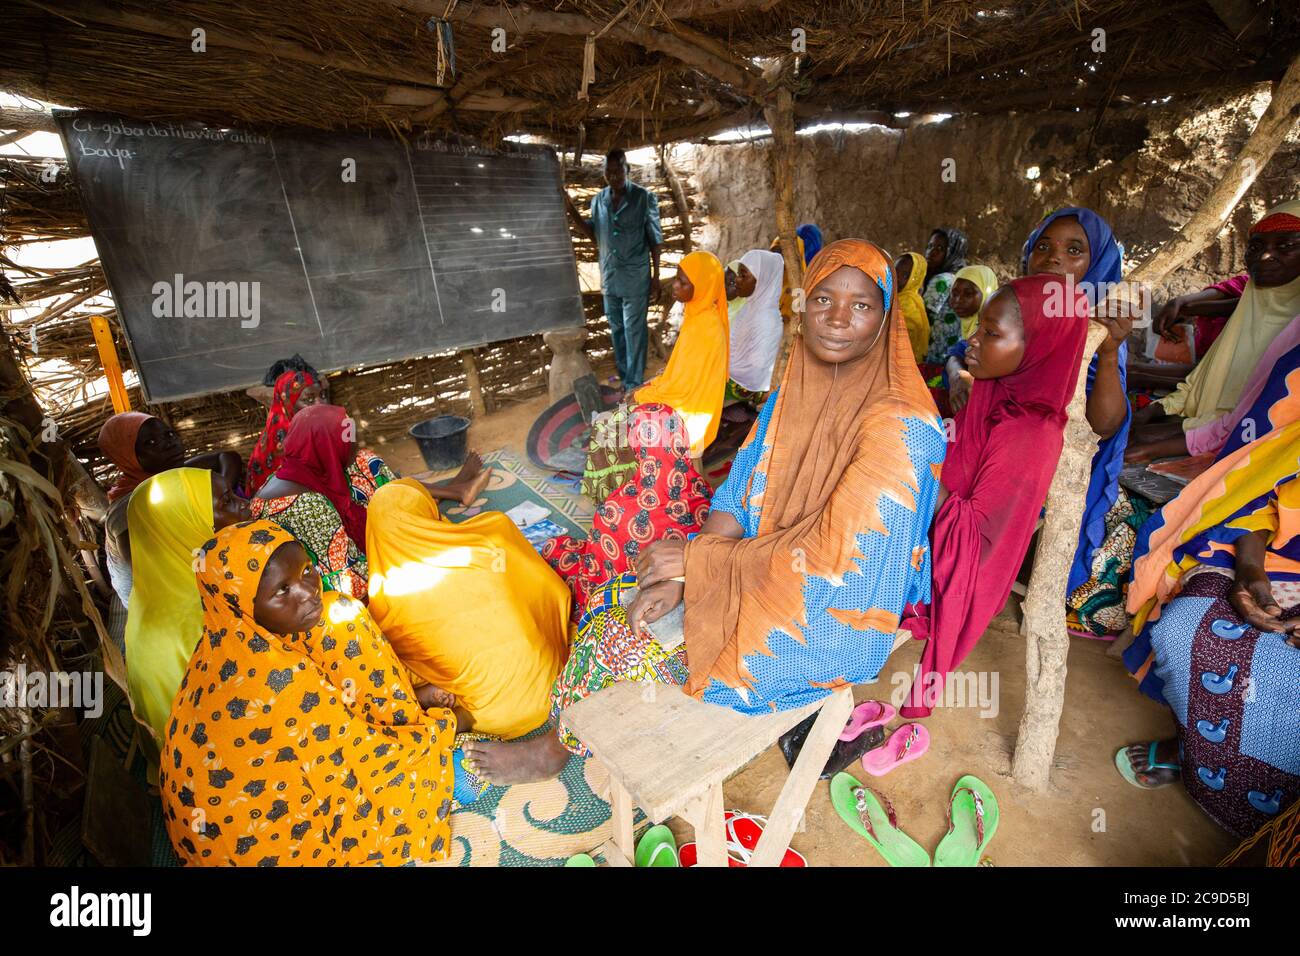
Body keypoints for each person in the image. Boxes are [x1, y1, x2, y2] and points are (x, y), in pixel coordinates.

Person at [464, 239, 945, 784]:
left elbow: (841, 569)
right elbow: (740, 490)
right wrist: (690, 576)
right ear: (804, 305)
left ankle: (557, 748)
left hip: (827, 622)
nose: (836, 318)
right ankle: (566, 735)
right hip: (760, 573)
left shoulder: (903, 429)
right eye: (823, 299)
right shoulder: (802, 389)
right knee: (622, 601)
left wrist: (701, 562)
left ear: (886, 319)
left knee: (627, 638)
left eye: (860, 305)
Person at [159, 520, 464, 866]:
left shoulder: (224, 641)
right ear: (243, 604)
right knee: (404, 787)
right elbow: (364, 760)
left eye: (307, 571)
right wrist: (442, 730)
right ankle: (411, 716)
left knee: (340, 615)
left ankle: (403, 705)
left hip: (210, 833)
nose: (308, 592)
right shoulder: (280, 680)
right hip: (263, 846)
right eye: (281, 591)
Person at [902, 275, 1090, 716]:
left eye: (991, 334)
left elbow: (977, 549)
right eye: (978, 328)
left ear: (1039, 347)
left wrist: (916, 471)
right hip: (923, 537)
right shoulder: (995, 390)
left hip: (944, 573)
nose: (972, 340)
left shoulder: (1032, 432)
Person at [948, 208, 1132, 637]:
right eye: (1044, 247)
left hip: (1038, 458)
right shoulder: (1019, 305)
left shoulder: (1099, 330)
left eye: (1074, 251)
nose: (1055, 259)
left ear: (1098, 264)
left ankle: (967, 568)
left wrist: (1107, 353)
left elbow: (1103, 424)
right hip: (995, 441)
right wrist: (959, 372)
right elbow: (963, 347)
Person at [1118, 419, 1300, 838]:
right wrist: (1250, 572)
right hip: (1277, 563)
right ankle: (1194, 747)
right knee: (1188, 629)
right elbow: (1254, 496)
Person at [365, 479, 571, 740]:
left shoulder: (383, 599)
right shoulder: (488, 537)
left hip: (487, 716)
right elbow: (551, 591)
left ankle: (443, 711)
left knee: (398, 657)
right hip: (552, 682)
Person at [1133, 201, 1300, 436]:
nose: (1265, 256)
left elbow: (1256, 420)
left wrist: (1168, 435)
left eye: (1287, 245)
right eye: (1256, 247)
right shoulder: (1251, 305)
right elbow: (1204, 383)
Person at [580, 250, 729, 504]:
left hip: (688, 413)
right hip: (685, 400)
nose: (675, 286)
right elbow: (681, 373)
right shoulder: (700, 314)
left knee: (608, 428)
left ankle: (629, 496)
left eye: (684, 283)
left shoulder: (705, 328)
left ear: (703, 286)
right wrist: (652, 385)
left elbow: (683, 389)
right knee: (623, 409)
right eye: (677, 279)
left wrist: (641, 394)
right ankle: (641, 489)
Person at [123, 467, 250, 756]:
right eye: (226, 502)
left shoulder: (165, 589)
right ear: (184, 524)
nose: (245, 504)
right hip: (212, 763)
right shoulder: (195, 617)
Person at [543, 401, 711, 614]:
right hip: (686, 593)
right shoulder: (703, 491)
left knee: (555, 547)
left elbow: (596, 578)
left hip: (629, 601)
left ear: (635, 443)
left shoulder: (614, 511)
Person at [98, 411, 242, 609]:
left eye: (169, 435)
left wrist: (220, 494)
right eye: (150, 443)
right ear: (128, 455)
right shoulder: (128, 511)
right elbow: (154, 576)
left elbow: (228, 457)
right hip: (158, 607)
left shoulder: (169, 476)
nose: (169, 443)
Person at [251, 404, 374, 600]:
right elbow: (346, 583)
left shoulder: (278, 479)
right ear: (325, 445)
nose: (356, 442)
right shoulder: (311, 505)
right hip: (323, 602)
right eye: (348, 436)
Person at [564, 148, 662, 390]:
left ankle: (634, 383)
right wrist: (571, 210)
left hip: (636, 276)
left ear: (627, 170)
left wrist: (656, 277)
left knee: (634, 329)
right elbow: (594, 234)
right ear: (604, 173)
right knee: (617, 328)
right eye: (609, 171)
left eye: (618, 170)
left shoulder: (643, 198)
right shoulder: (598, 200)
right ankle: (624, 374)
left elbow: (655, 240)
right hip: (610, 277)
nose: (614, 175)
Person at [244, 366, 327, 496]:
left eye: (322, 395)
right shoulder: (285, 441)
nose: (320, 404)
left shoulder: (310, 427)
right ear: (288, 404)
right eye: (308, 399)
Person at [725, 248, 785, 399]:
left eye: (743, 275)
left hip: (748, 391)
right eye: (738, 274)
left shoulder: (767, 320)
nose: (737, 280)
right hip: (732, 379)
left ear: (763, 279)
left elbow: (755, 371)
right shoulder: (748, 308)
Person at [920, 226, 969, 363]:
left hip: (932, 355)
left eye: (940, 249)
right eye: (930, 246)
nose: (931, 252)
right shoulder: (958, 277)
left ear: (953, 252)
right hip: (950, 355)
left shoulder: (942, 280)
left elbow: (922, 318)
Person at [895, 252, 930, 363]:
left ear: (915, 279)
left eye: (905, 275)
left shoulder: (909, 304)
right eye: (895, 270)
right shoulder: (892, 297)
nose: (897, 277)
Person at [949, 265, 999, 340]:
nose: (958, 300)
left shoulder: (993, 335)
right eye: (954, 294)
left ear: (987, 295)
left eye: (968, 294)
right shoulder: (955, 323)